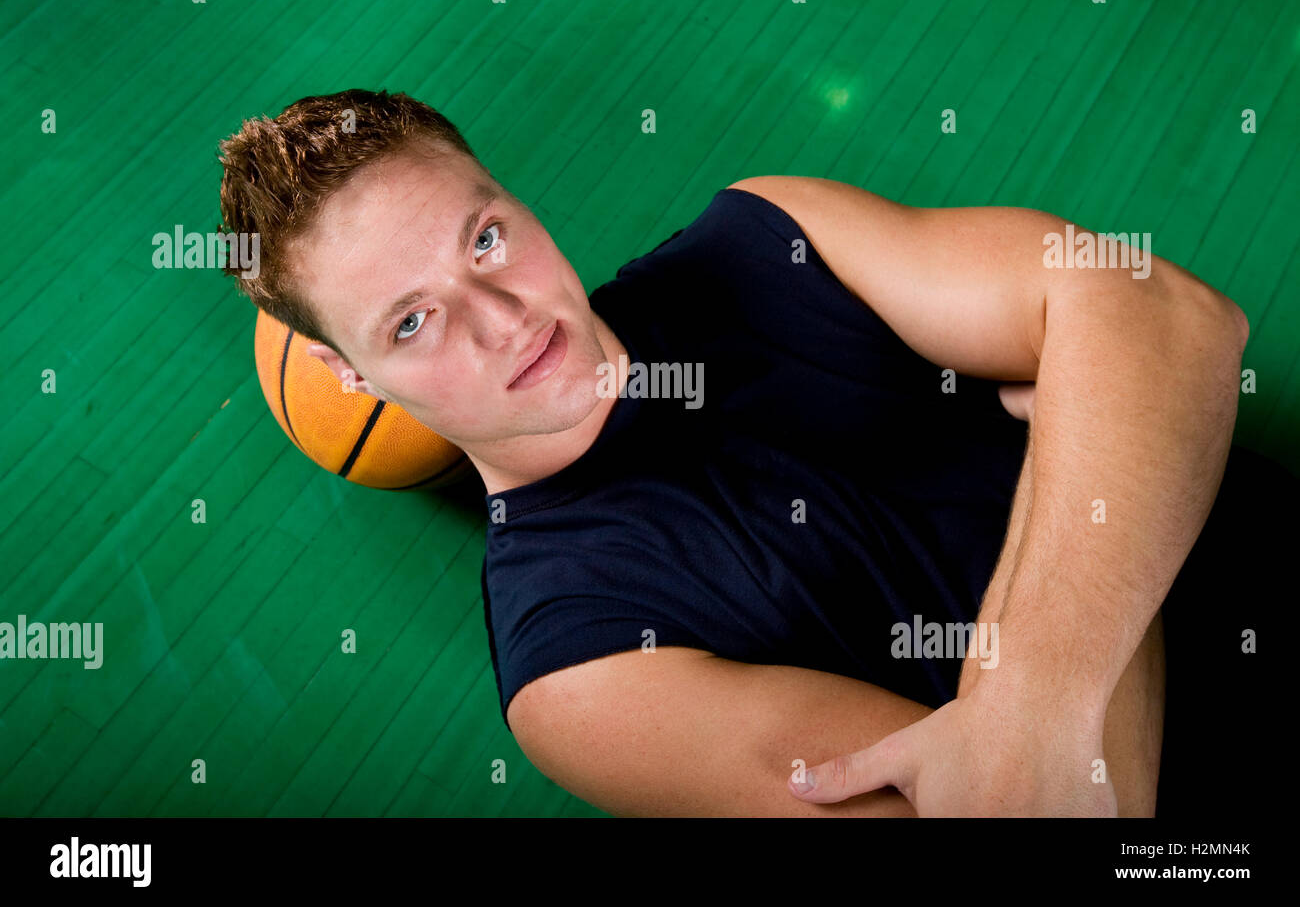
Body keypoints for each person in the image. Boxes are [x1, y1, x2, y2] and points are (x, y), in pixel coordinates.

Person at [217, 88, 1290, 818]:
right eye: (411, 323)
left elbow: (1179, 318)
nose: (502, 320)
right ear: (349, 378)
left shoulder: (768, 229)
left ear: (510, 195)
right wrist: (1102, 435)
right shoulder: (578, 673)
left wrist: (1030, 696)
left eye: (484, 239)